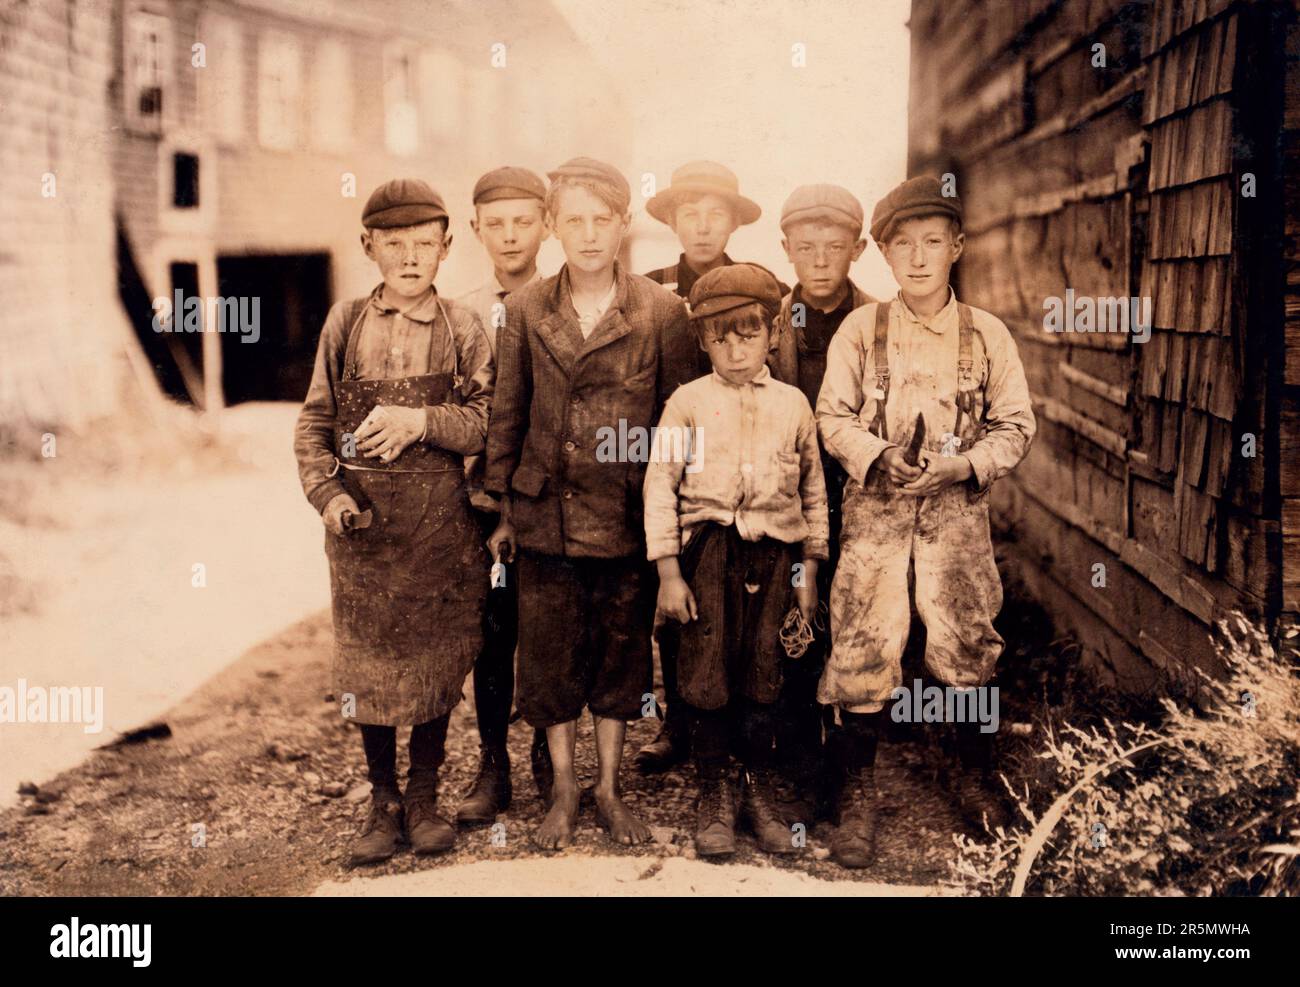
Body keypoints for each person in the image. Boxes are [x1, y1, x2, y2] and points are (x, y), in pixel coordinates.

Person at [815, 175, 1036, 868]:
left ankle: (971, 774)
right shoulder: (861, 329)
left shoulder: (986, 334)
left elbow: (1016, 423)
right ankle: (857, 792)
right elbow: (831, 417)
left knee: (967, 638)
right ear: (882, 253)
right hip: (877, 515)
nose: (917, 259)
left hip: (956, 518)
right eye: (902, 245)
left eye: (932, 243)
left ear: (956, 248)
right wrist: (877, 455)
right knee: (862, 641)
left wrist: (966, 466)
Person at [484, 157, 697, 850]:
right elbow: (506, 416)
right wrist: (503, 512)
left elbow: (677, 422)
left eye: (602, 219)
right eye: (572, 219)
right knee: (547, 660)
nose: (588, 234)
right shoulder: (522, 310)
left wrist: (668, 518)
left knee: (621, 658)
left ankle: (608, 787)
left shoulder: (661, 312)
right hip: (545, 515)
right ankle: (565, 788)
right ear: (552, 226)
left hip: (626, 517)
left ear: (623, 223)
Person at [294, 178, 493, 865]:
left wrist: (423, 422)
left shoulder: (463, 328)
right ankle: (382, 803)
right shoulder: (344, 324)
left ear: (446, 246)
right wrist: (329, 496)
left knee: (435, 662)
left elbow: (489, 423)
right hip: (363, 534)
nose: (410, 258)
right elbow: (314, 425)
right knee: (370, 667)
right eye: (394, 243)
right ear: (368, 246)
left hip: (440, 530)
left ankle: (426, 796)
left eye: (424, 243)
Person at [644, 263, 828, 857]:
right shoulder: (687, 401)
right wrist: (669, 572)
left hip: (775, 556)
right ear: (702, 341)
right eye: (719, 336)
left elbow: (814, 495)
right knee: (706, 673)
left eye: (748, 333)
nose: (734, 348)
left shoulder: (795, 405)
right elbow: (659, 486)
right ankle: (714, 794)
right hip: (707, 554)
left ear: (773, 333)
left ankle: (755, 790)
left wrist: (807, 575)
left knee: (764, 672)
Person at [635, 160, 782, 773]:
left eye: (715, 213)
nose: (701, 226)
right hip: (668, 452)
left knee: (742, 609)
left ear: (733, 220)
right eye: (688, 213)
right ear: (671, 219)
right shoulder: (649, 287)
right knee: (674, 600)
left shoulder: (757, 285)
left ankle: (757, 731)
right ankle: (678, 721)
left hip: (740, 460)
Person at [767, 184, 875, 815]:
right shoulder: (771, 324)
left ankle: (854, 767)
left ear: (857, 249)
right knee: (797, 629)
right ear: (785, 250)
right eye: (805, 246)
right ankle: (805, 767)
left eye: (835, 246)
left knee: (857, 628)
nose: (820, 258)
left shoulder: (880, 322)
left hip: (857, 495)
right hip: (790, 502)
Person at [455, 166, 553, 825]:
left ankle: (552, 750)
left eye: (524, 220)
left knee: (550, 631)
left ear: (547, 223)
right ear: (475, 229)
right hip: (479, 505)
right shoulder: (460, 309)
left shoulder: (564, 300)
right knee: (491, 634)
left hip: (549, 501)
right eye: (496, 224)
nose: (510, 235)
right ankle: (494, 762)